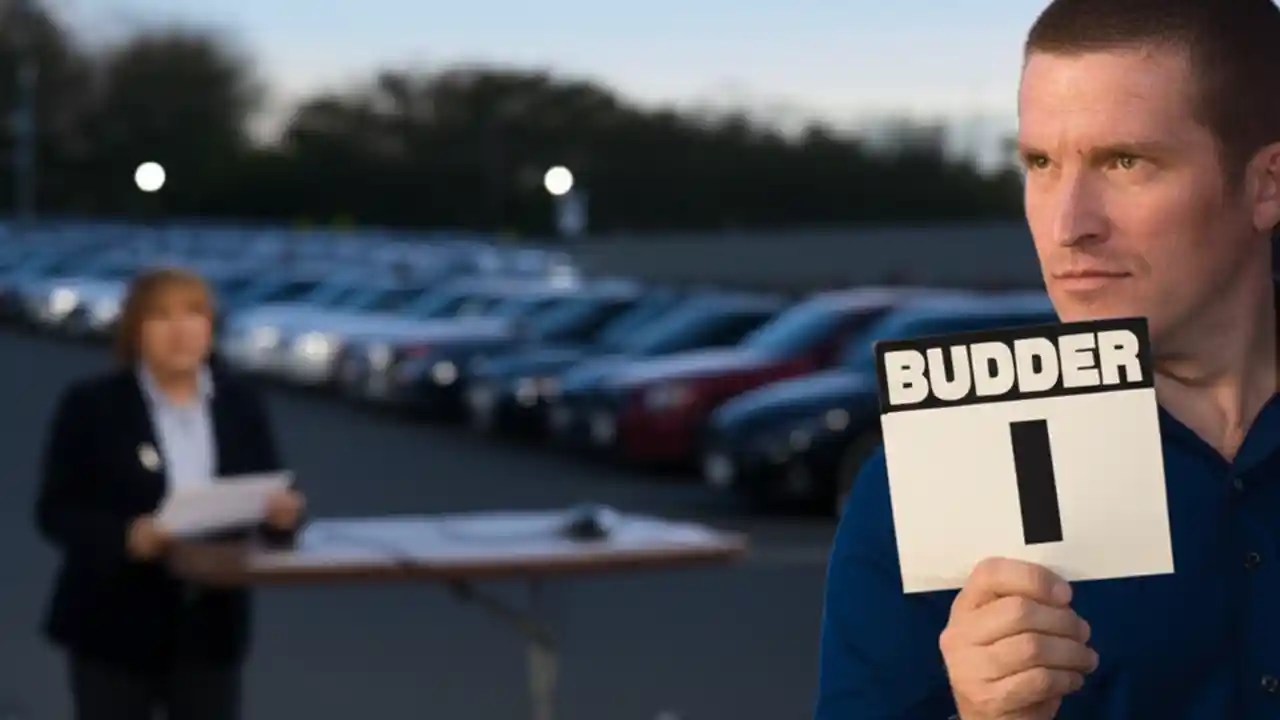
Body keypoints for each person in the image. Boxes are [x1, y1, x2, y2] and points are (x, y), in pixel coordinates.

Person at [814, 1, 1280, 718]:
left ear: (1267, 184)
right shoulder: (929, 478)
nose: (1067, 226)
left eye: (1125, 162)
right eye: (1040, 163)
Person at [36, 267, 307, 720]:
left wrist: (284, 516)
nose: (180, 330)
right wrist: (125, 537)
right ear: (135, 329)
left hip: (209, 631)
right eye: (161, 316)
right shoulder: (92, 405)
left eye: (194, 314)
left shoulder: (240, 404)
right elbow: (55, 511)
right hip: (112, 630)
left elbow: (272, 490)